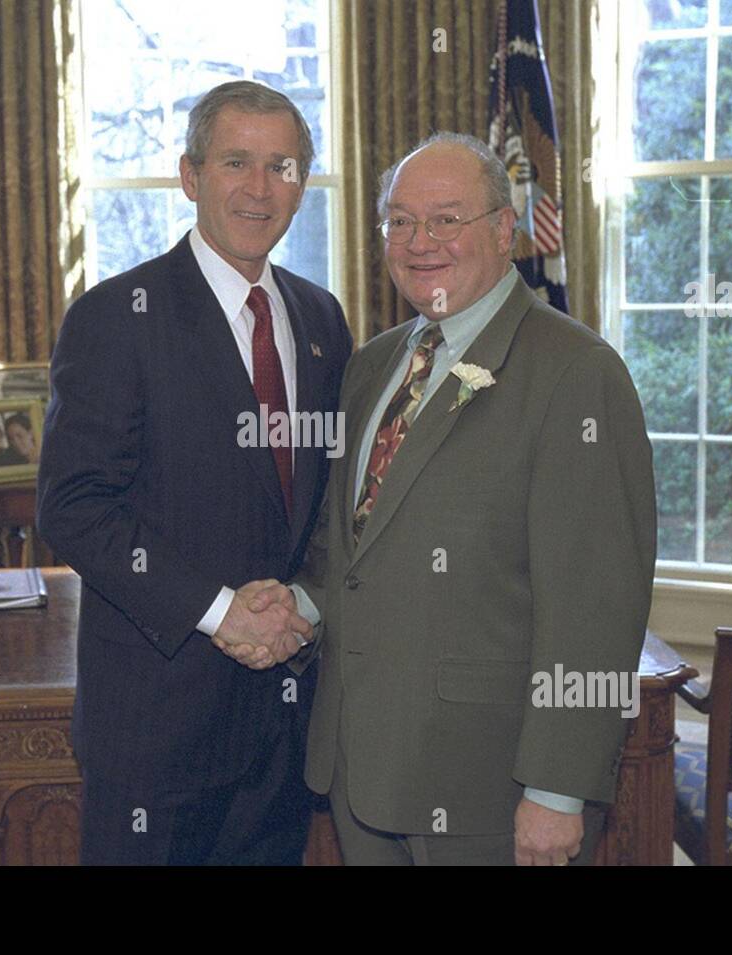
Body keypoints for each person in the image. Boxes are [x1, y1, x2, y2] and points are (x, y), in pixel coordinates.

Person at [233, 132, 656, 865]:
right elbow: (349, 551)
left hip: (491, 787)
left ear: (504, 228)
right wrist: (293, 609)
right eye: (400, 221)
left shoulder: (577, 373)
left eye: (445, 219)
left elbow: (596, 605)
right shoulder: (372, 366)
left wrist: (556, 791)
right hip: (359, 772)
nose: (419, 241)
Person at [36, 81, 353, 865]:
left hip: (283, 722)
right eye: (235, 162)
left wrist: (300, 607)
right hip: (157, 731)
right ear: (190, 175)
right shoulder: (117, 316)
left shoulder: (321, 319)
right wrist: (220, 611)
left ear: (302, 184)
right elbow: (75, 507)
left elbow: (327, 504)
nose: (259, 187)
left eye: (281, 166)